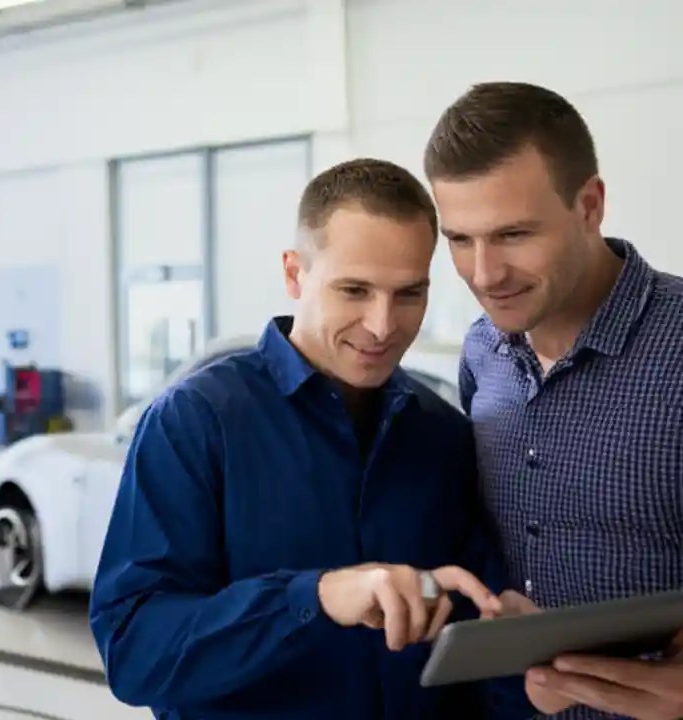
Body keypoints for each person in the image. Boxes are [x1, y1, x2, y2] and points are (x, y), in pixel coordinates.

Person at [88, 158, 524, 719]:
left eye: (409, 293)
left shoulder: (442, 434)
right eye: (354, 290)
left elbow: (472, 653)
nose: (382, 324)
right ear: (295, 274)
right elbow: (133, 651)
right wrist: (315, 598)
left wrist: (515, 650)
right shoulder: (194, 423)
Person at [424, 81, 683, 720]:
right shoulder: (481, 353)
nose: (484, 274)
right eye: (459, 239)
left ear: (590, 204)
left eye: (513, 234)